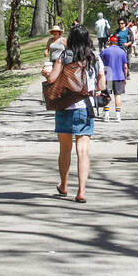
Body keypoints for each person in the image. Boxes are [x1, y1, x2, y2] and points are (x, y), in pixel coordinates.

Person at [46, 24, 106, 203]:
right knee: (83, 150)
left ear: (70, 39)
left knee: (65, 149)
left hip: (64, 105)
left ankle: (64, 185)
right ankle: (81, 191)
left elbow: (52, 79)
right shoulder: (94, 57)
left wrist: (46, 73)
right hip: (84, 107)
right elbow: (102, 85)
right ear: (88, 38)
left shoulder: (64, 56)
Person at [99, 33, 129, 121]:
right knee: (117, 95)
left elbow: (100, 64)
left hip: (108, 76)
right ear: (117, 42)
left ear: (110, 42)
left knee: (106, 95)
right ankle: (118, 116)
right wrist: (125, 77)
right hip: (119, 76)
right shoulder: (122, 51)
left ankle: (107, 115)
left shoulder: (105, 51)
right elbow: (125, 66)